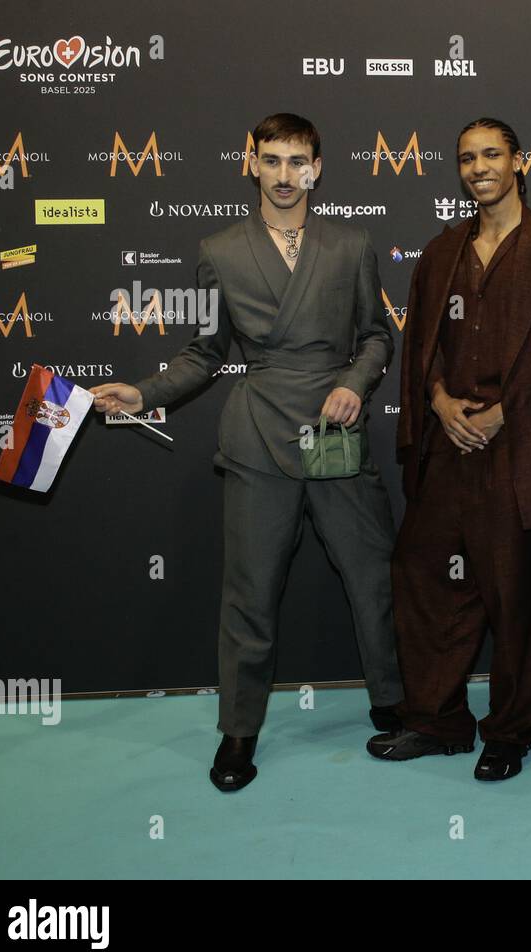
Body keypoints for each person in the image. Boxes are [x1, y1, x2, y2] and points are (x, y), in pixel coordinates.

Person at [90, 113, 399, 792]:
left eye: (298, 162)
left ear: (316, 168)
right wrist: (144, 394)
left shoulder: (350, 244)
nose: (285, 175)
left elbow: (376, 337)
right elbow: (204, 353)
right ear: (250, 163)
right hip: (258, 435)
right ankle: (239, 729)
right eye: (273, 161)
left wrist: (353, 382)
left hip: (333, 429)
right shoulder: (220, 249)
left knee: (372, 577)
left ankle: (391, 702)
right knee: (250, 595)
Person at [366, 118, 531, 781]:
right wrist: (436, 401)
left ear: (519, 160)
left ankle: (510, 730)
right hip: (450, 446)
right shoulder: (442, 251)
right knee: (424, 577)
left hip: (520, 450)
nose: (479, 166)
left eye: (491, 154)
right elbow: (421, 347)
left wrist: (505, 413)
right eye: (466, 158)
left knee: (514, 596)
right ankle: (437, 718)